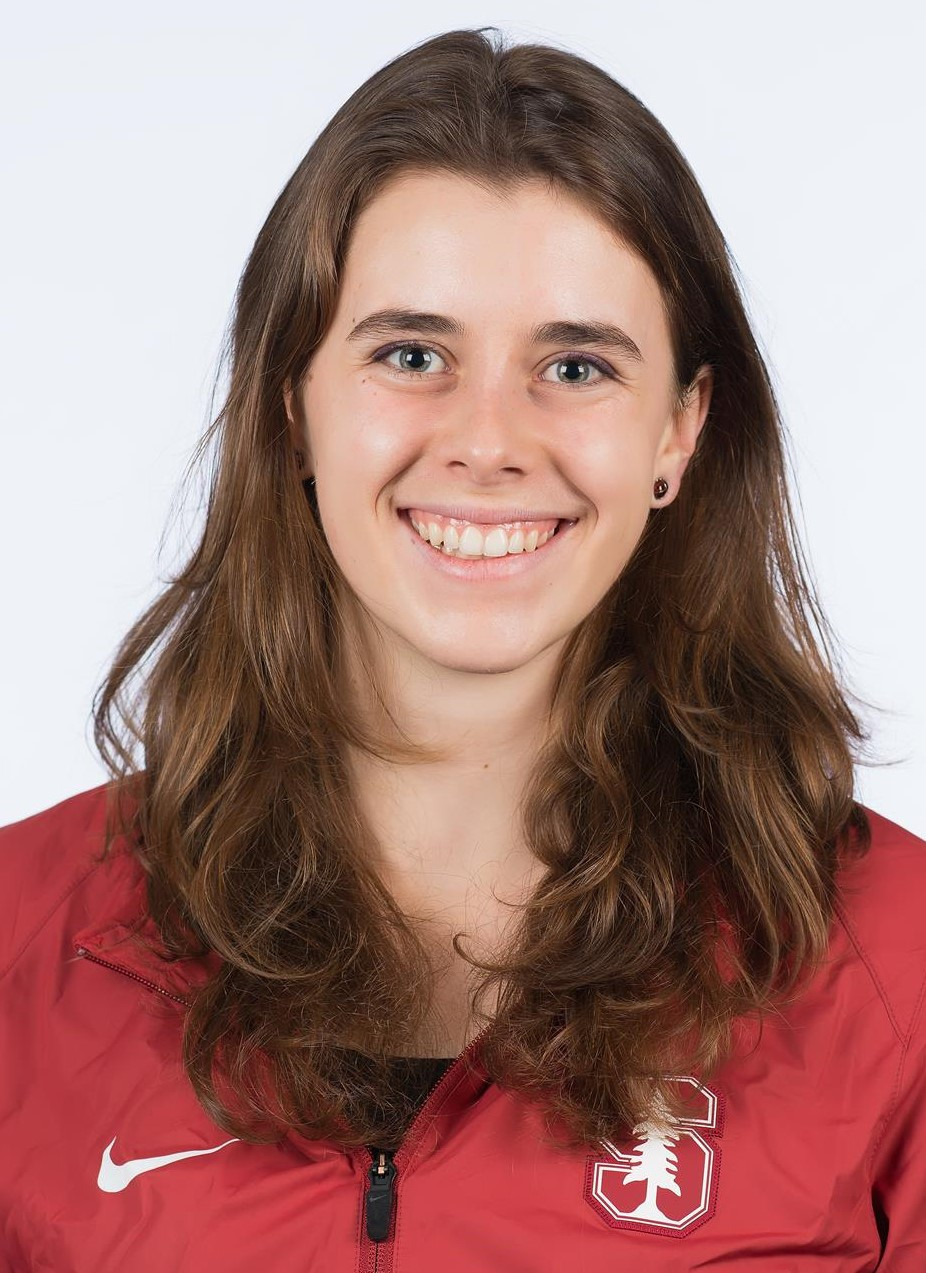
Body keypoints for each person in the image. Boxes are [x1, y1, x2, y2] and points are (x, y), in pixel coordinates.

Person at [1, 24, 924, 1271]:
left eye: (577, 364)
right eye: (411, 353)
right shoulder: (21, 940)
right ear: (294, 407)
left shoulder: (894, 971)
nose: (487, 440)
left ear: (678, 431)